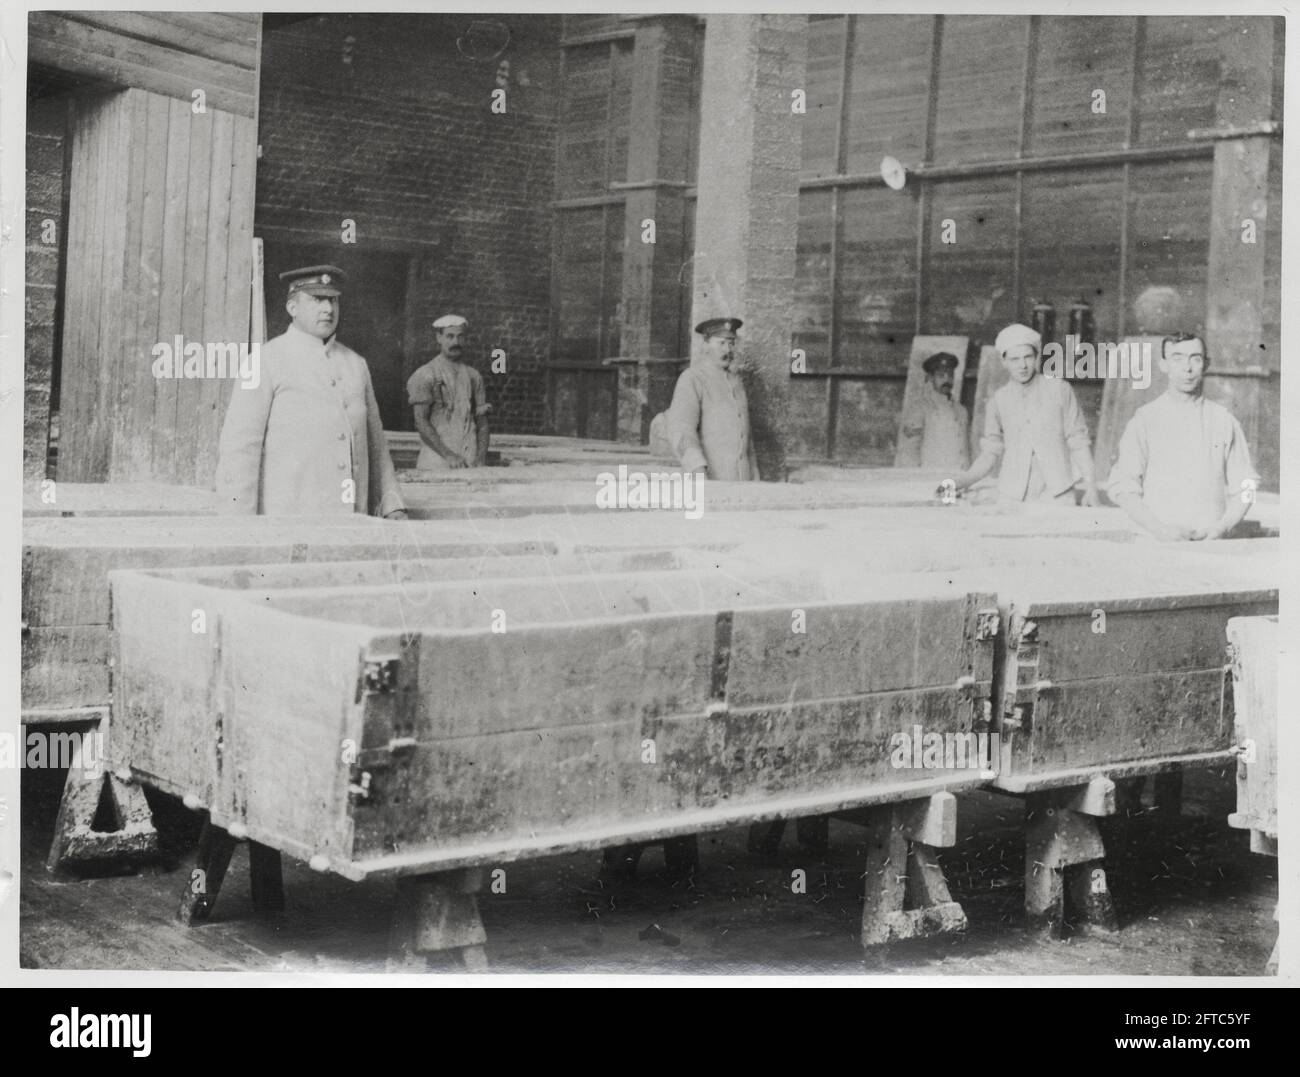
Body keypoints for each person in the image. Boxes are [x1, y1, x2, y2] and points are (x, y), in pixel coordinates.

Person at [216, 265, 407, 518]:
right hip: (289, 521)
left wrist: (392, 505)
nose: (328, 309)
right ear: (292, 308)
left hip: (352, 520)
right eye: (317, 299)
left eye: (333, 300)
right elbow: (240, 449)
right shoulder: (265, 361)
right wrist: (238, 523)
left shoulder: (355, 364)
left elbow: (376, 445)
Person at [1108, 332, 1259, 540]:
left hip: (1209, 546)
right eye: (1177, 359)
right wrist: (1160, 530)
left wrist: (1222, 527)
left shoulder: (1224, 421)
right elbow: (1123, 489)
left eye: (1195, 359)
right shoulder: (1145, 420)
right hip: (1152, 545)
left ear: (1206, 364)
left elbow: (1247, 486)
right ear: (1164, 365)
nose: (1187, 368)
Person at [947, 323, 1099, 505]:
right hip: (1012, 494)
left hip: (1058, 493)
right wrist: (963, 481)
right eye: (1014, 359)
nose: (1023, 365)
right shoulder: (999, 400)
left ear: (1037, 357)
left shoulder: (1059, 389)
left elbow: (1078, 441)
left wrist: (1091, 488)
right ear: (1004, 362)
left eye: (1028, 357)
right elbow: (990, 452)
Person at [665, 317, 759, 481]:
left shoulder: (736, 381)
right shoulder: (693, 378)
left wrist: (754, 477)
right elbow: (681, 429)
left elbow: (745, 438)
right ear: (706, 345)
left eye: (731, 343)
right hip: (710, 480)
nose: (727, 350)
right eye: (721, 343)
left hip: (743, 482)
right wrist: (697, 470)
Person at [407, 314, 490, 470]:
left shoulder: (474, 376)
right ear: (439, 338)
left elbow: (483, 423)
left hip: (469, 458)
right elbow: (421, 421)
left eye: (460, 337)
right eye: (449, 336)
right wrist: (448, 455)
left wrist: (481, 458)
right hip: (436, 459)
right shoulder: (426, 374)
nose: (455, 342)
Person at [898, 351, 970, 469]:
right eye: (941, 376)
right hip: (930, 477)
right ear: (931, 378)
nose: (947, 380)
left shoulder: (961, 410)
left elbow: (965, 450)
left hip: (958, 478)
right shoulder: (920, 408)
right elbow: (910, 452)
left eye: (950, 375)